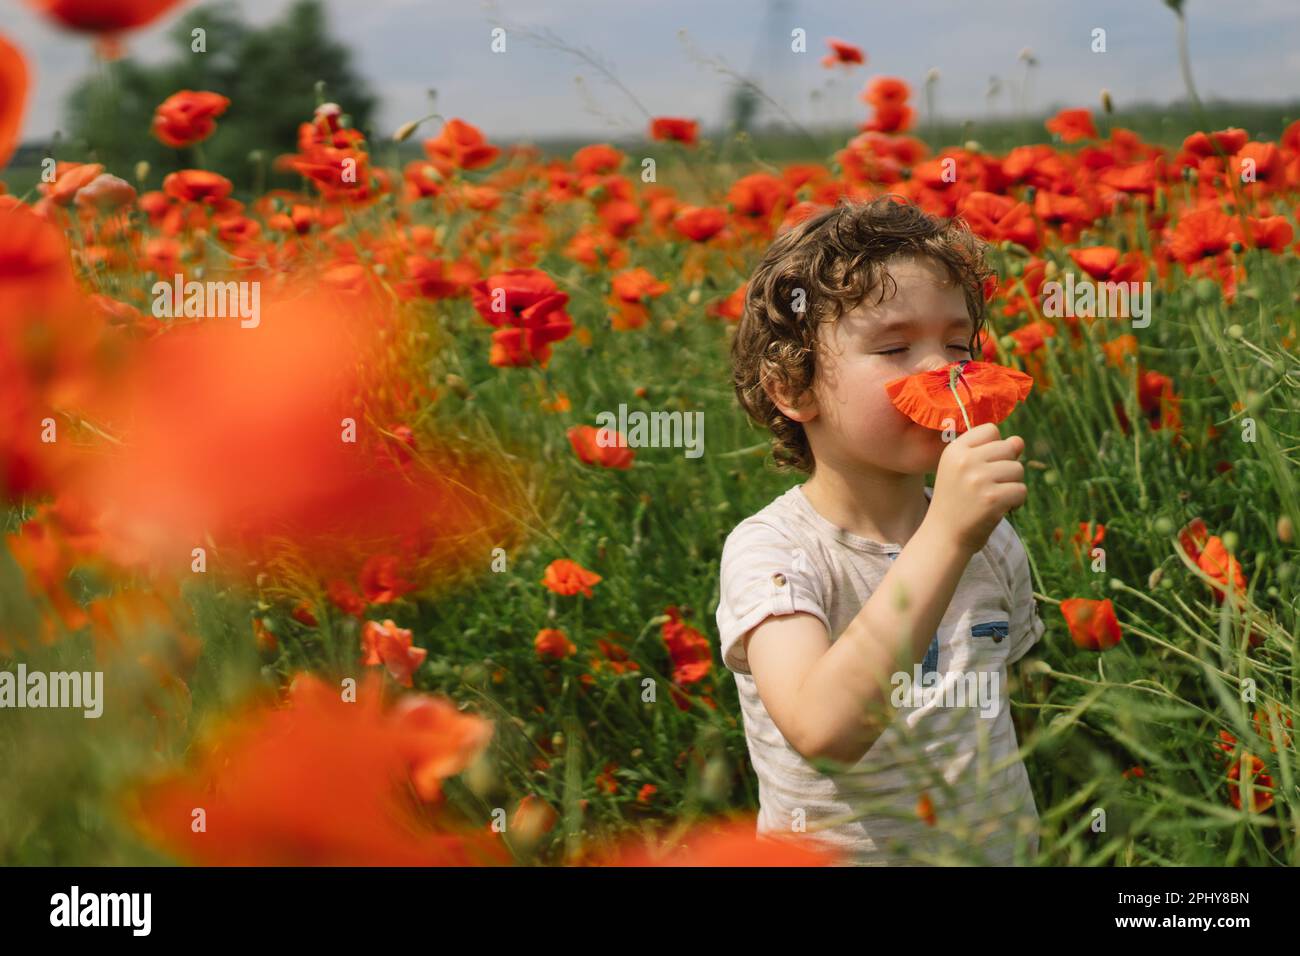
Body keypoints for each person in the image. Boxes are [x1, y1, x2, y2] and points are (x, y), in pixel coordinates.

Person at [716, 196, 1044, 865]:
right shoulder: (777, 551)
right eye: (895, 347)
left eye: (958, 344)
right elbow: (824, 728)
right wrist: (945, 538)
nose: (940, 369)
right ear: (793, 387)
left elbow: (1015, 709)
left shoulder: (993, 538)